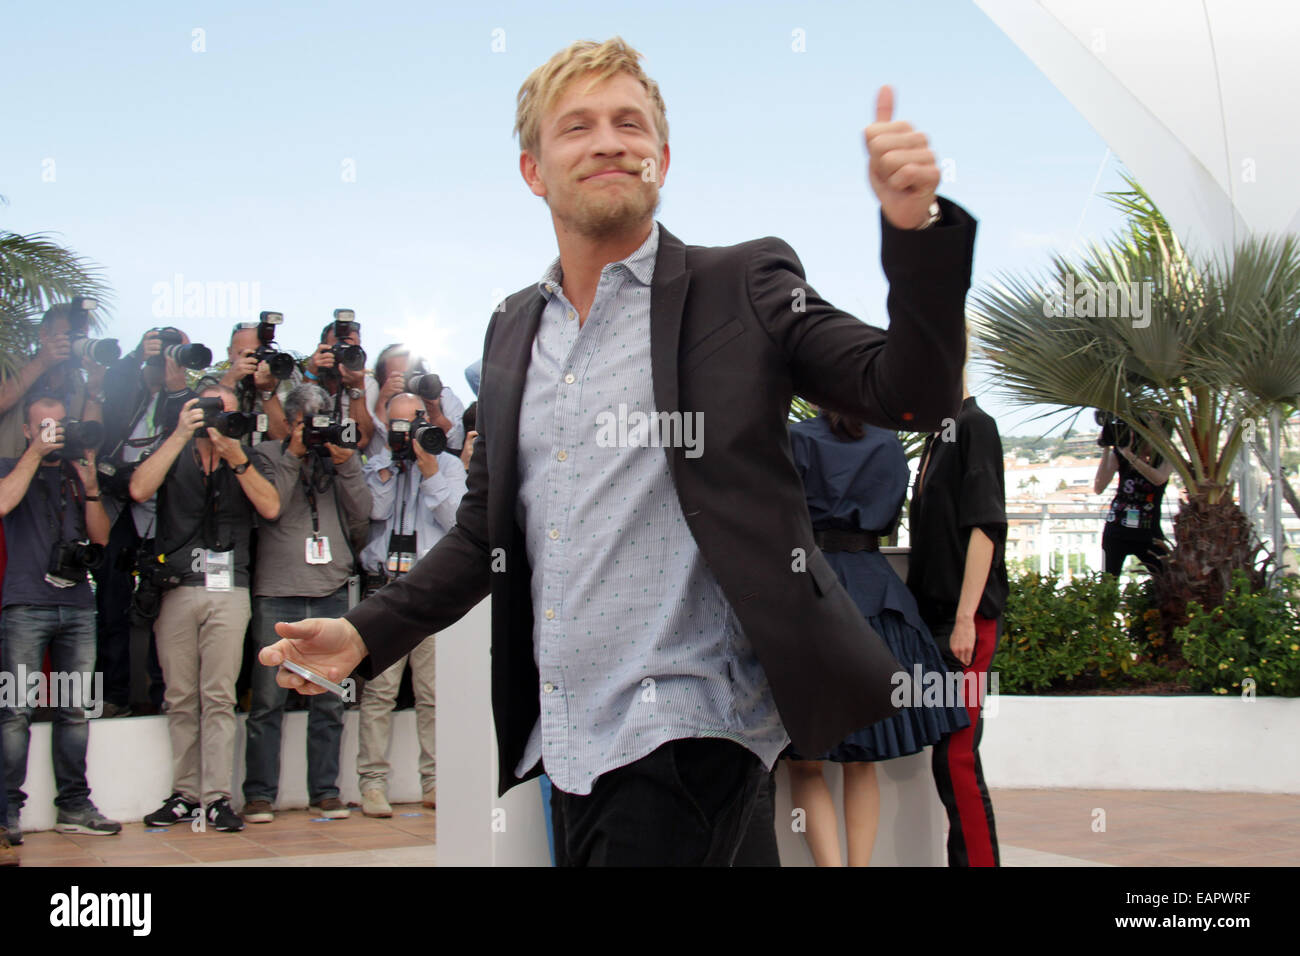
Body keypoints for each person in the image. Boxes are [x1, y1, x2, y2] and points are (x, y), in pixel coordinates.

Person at [260, 37, 975, 866]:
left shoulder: (742, 285)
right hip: (567, 738)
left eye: (629, 124)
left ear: (660, 158)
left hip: (694, 719)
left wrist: (913, 233)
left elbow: (913, 392)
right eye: (578, 127)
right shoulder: (511, 330)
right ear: (533, 170)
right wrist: (364, 635)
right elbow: (482, 537)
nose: (608, 141)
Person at [781, 411, 970, 866]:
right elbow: (890, 519)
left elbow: (783, 515)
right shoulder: (887, 444)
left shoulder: (797, 438)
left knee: (807, 760)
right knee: (861, 758)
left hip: (813, 585)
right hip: (875, 587)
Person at [130, 386, 281, 832]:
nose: (218, 418)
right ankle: (184, 792)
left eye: (227, 412)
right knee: (180, 696)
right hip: (176, 587)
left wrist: (235, 454)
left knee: (219, 696)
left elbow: (271, 506)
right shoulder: (173, 448)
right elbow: (139, 488)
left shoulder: (246, 456)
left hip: (230, 589)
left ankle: (216, 797)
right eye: (209, 410)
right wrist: (180, 434)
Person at [242, 383, 372, 823]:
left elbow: (363, 513)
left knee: (330, 701)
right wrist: (296, 454)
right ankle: (259, 795)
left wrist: (347, 463)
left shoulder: (337, 457)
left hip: (330, 589)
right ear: (292, 422)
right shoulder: (266, 454)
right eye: (306, 423)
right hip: (278, 591)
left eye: (321, 421)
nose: (314, 432)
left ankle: (326, 792)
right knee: (266, 701)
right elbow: (271, 509)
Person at [0, 393, 120, 838]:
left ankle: (73, 807)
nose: (53, 433)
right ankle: (6, 811)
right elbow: (3, 504)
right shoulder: (11, 466)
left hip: (76, 608)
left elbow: (101, 539)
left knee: (75, 711)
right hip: (26, 607)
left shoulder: (75, 476)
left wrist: (88, 480)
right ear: (28, 430)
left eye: (59, 425)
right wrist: (36, 454)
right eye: (43, 426)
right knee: (15, 710)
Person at [907, 359, 1007, 867]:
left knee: (959, 758)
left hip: (967, 623)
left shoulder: (976, 427)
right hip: (938, 622)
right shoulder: (938, 436)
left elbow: (985, 526)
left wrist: (966, 617)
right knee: (950, 760)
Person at [355, 392, 467, 816]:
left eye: (413, 421)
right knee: (379, 694)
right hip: (386, 589)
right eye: (398, 424)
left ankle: (436, 782)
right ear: (386, 425)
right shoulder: (379, 463)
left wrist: (430, 471)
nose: (407, 431)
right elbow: (375, 512)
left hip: (431, 592)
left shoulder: (449, 465)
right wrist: (388, 467)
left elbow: (458, 521)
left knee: (433, 695)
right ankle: (372, 784)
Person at [94, 328, 197, 717]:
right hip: (121, 514)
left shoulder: (184, 399)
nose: (162, 364)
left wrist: (176, 384)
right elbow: (113, 385)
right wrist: (136, 355)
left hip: (166, 522)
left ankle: (159, 699)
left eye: (171, 354)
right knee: (112, 605)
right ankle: (113, 694)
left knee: (163, 613)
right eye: (157, 355)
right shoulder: (126, 395)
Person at [1093, 416, 1172, 577]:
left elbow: (1158, 479)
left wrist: (1130, 456)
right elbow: (1099, 487)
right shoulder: (1120, 454)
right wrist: (1107, 448)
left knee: (1165, 579)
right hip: (1116, 530)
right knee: (1109, 582)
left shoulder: (1165, 456)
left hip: (1148, 532)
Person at [370, 344, 467, 455]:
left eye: (410, 374)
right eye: (400, 376)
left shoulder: (442, 396)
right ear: (384, 380)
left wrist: (435, 413)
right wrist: (382, 401)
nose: (407, 381)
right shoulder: (378, 398)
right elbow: (377, 454)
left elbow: (458, 444)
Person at [304, 322, 376, 454]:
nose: (344, 354)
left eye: (350, 349)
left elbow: (358, 440)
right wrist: (311, 374)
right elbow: (299, 426)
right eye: (338, 347)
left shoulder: (366, 383)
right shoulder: (312, 375)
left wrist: (356, 387)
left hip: (346, 459)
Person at [219, 322, 296, 443]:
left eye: (258, 352)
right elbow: (205, 430)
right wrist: (231, 379)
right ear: (229, 353)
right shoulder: (212, 380)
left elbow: (284, 441)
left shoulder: (282, 379)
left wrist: (267, 391)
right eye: (245, 354)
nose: (253, 359)